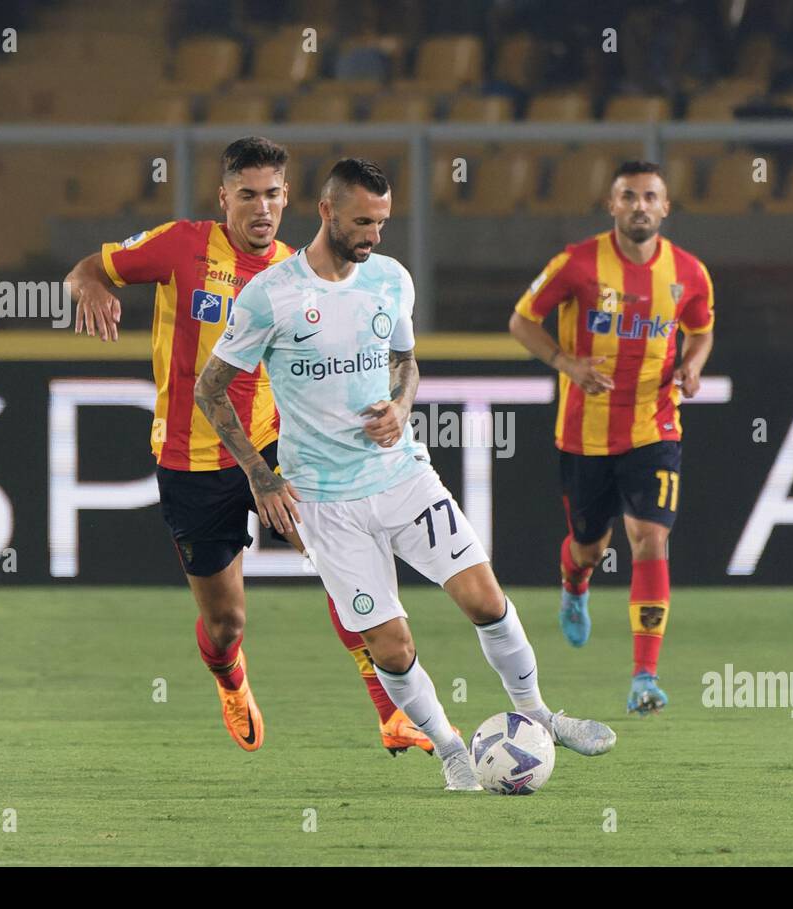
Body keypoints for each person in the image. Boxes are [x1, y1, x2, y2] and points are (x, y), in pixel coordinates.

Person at [195, 158, 616, 791]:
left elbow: (406, 363)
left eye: (384, 223)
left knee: (485, 600)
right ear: (328, 211)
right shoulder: (272, 294)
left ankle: (538, 715)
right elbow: (212, 389)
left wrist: (400, 405)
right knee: (389, 646)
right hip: (325, 504)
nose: (374, 236)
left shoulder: (391, 280)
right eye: (363, 222)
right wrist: (261, 476)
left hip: (402, 477)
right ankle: (452, 751)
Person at [64, 137, 435, 757]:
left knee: (340, 565)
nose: (261, 209)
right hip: (191, 458)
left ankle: (391, 711)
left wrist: (389, 405)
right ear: (224, 197)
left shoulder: (299, 270)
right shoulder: (180, 245)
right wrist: (88, 285)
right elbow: (89, 267)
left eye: (272, 195)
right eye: (247, 195)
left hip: (273, 443)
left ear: (289, 197)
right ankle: (230, 679)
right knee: (225, 621)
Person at [507, 160, 715, 716]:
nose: (640, 206)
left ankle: (644, 676)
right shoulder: (577, 264)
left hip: (656, 424)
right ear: (612, 205)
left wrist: (692, 366)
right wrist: (565, 362)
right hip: (585, 433)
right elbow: (523, 320)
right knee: (589, 547)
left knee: (649, 537)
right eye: (629, 196)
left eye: (651, 196)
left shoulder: (689, 272)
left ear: (666, 207)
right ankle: (575, 583)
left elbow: (701, 328)